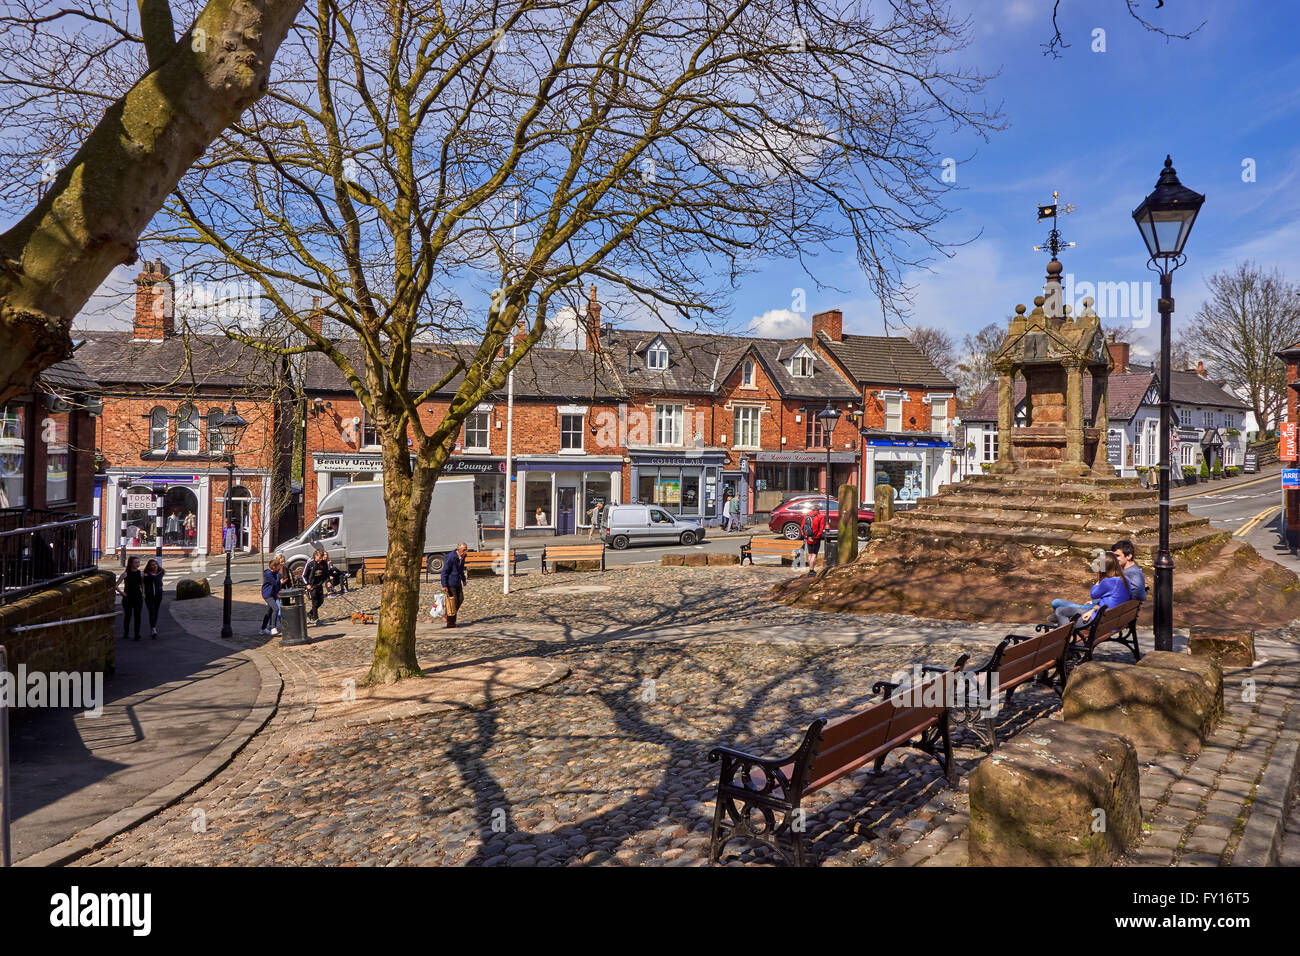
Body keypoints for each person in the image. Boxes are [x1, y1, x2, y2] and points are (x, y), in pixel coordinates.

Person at [1049, 552, 1131, 629]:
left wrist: (1099, 579)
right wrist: (1092, 610)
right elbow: (1111, 600)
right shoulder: (1126, 579)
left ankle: (1063, 637)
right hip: (1111, 620)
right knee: (1061, 610)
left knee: (1060, 610)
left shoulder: (1108, 582)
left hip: (1096, 622)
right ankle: (1059, 619)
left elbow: (1093, 594)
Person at [440, 541, 469, 628]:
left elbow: (461, 569)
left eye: (466, 550)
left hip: (457, 582)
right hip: (450, 583)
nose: (465, 552)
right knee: (453, 602)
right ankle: (450, 622)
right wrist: (444, 585)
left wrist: (463, 580)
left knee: (460, 599)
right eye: (464, 550)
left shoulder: (463, 556)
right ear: (459, 549)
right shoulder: (451, 557)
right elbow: (444, 572)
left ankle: (449, 615)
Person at [116, 556, 144, 641]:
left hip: (138, 597)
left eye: (138, 562)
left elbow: (143, 585)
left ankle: (137, 634)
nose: (137, 564)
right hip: (128, 597)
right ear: (131, 563)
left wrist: (143, 593)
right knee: (128, 615)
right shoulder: (126, 574)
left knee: (137, 616)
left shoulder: (140, 573)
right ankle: (126, 632)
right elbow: (116, 585)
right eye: (135, 562)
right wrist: (121, 593)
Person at [303, 549, 330, 626]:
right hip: (312, 586)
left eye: (322, 557)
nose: (321, 559)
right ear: (316, 556)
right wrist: (307, 584)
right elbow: (304, 575)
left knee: (321, 601)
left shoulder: (324, 564)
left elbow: (326, 574)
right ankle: (316, 619)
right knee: (314, 602)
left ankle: (311, 613)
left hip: (319, 585)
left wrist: (327, 581)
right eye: (320, 557)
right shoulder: (310, 564)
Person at [261, 555, 285, 636]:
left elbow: (277, 585)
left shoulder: (274, 572)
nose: (279, 568)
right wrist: (279, 575)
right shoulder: (268, 574)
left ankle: (263, 629)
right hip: (267, 594)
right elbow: (275, 582)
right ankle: (273, 627)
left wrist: (278, 591)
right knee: (276, 608)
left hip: (273, 593)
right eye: (278, 567)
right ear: (274, 567)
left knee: (269, 611)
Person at [142, 558, 165, 639]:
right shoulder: (145, 574)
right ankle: (153, 629)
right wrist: (143, 593)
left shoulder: (161, 572)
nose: (154, 566)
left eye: (155, 564)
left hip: (158, 595)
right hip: (149, 595)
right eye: (152, 565)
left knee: (156, 611)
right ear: (149, 566)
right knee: (152, 611)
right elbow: (143, 584)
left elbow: (156, 578)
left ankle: (153, 626)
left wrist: (149, 576)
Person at [802, 505, 826, 577]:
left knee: (810, 554)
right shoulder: (820, 517)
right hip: (815, 538)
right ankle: (812, 571)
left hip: (808, 538)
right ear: (818, 510)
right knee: (814, 554)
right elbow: (821, 529)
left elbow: (802, 527)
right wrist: (816, 537)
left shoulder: (806, 516)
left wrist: (806, 536)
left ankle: (810, 569)